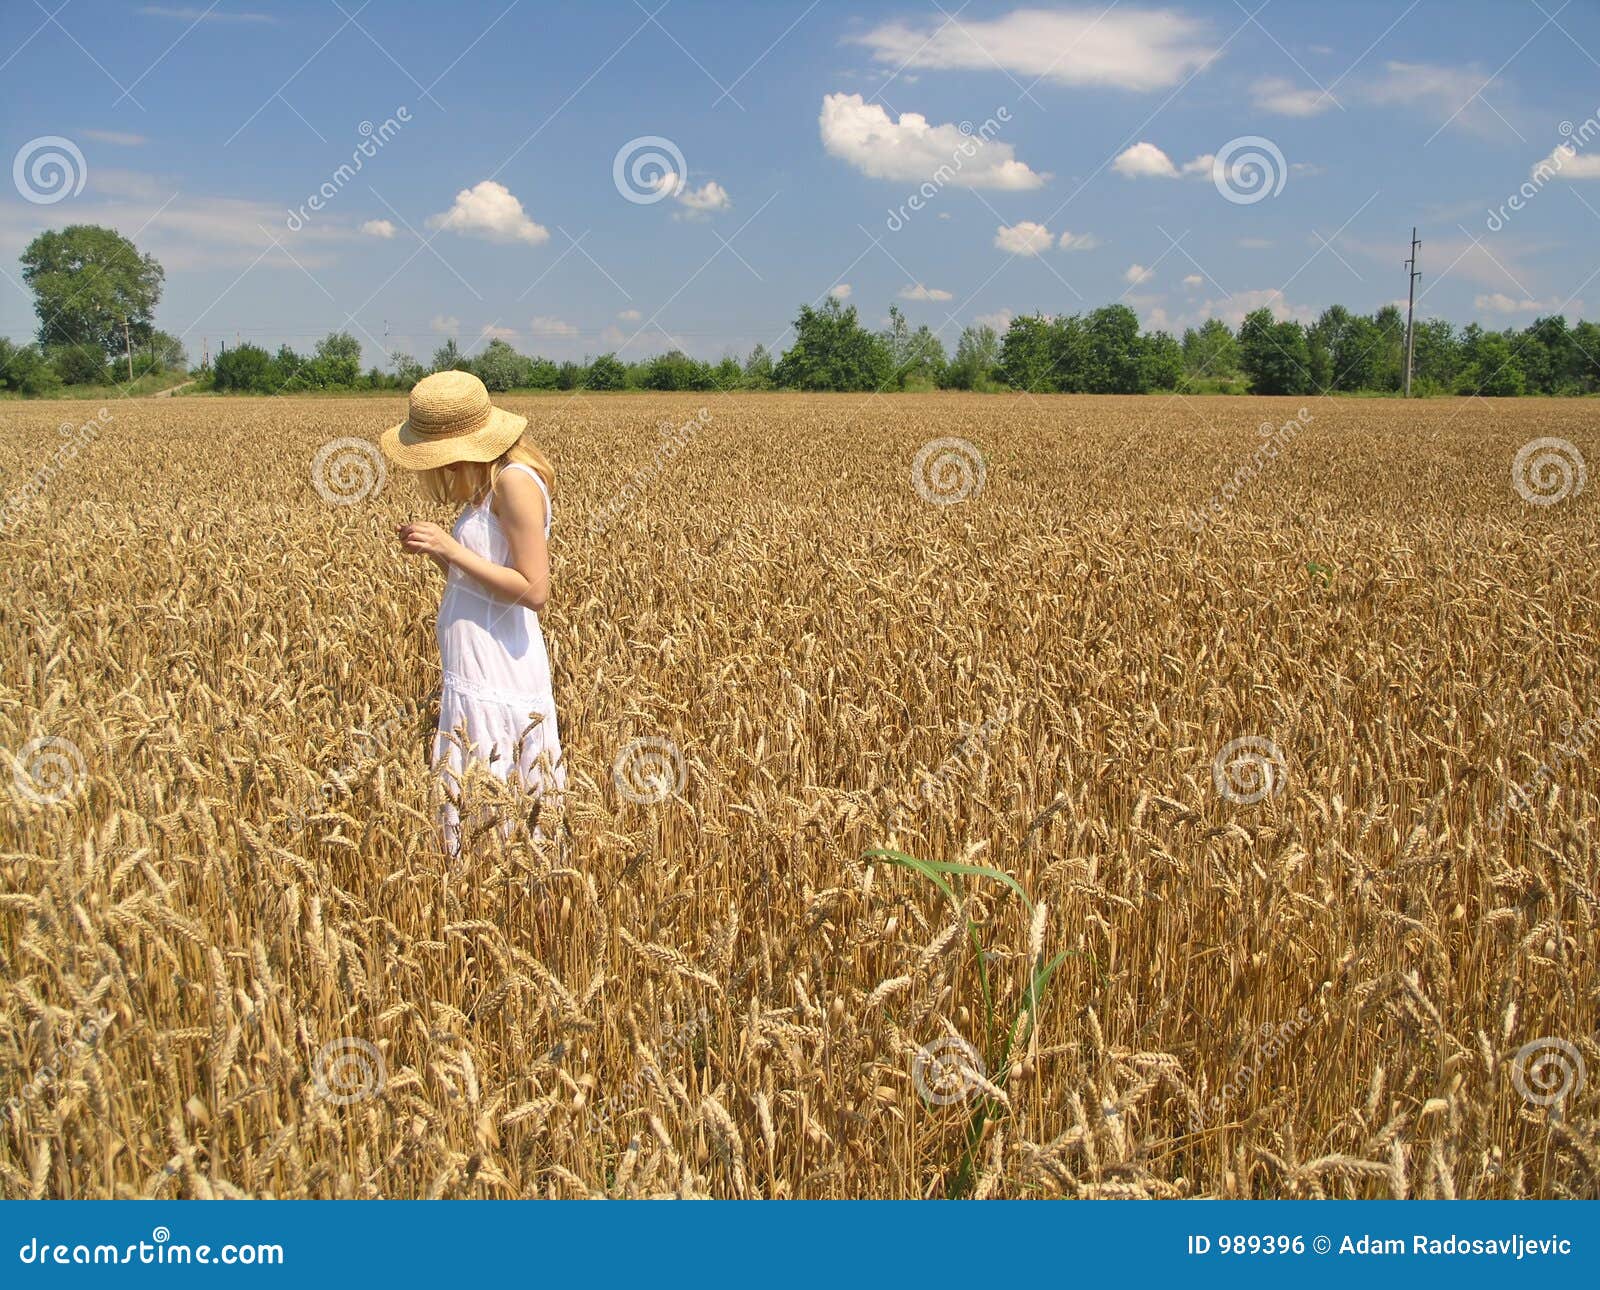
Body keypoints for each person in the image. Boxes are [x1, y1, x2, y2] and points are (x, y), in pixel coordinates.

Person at [378, 370, 563, 852]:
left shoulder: (514, 483)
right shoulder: (487, 484)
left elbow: (534, 590)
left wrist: (453, 550)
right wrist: (440, 553)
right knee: (480, 802)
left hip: (500, 670)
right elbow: (484, 582)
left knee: (503, 804)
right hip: (474, 668)